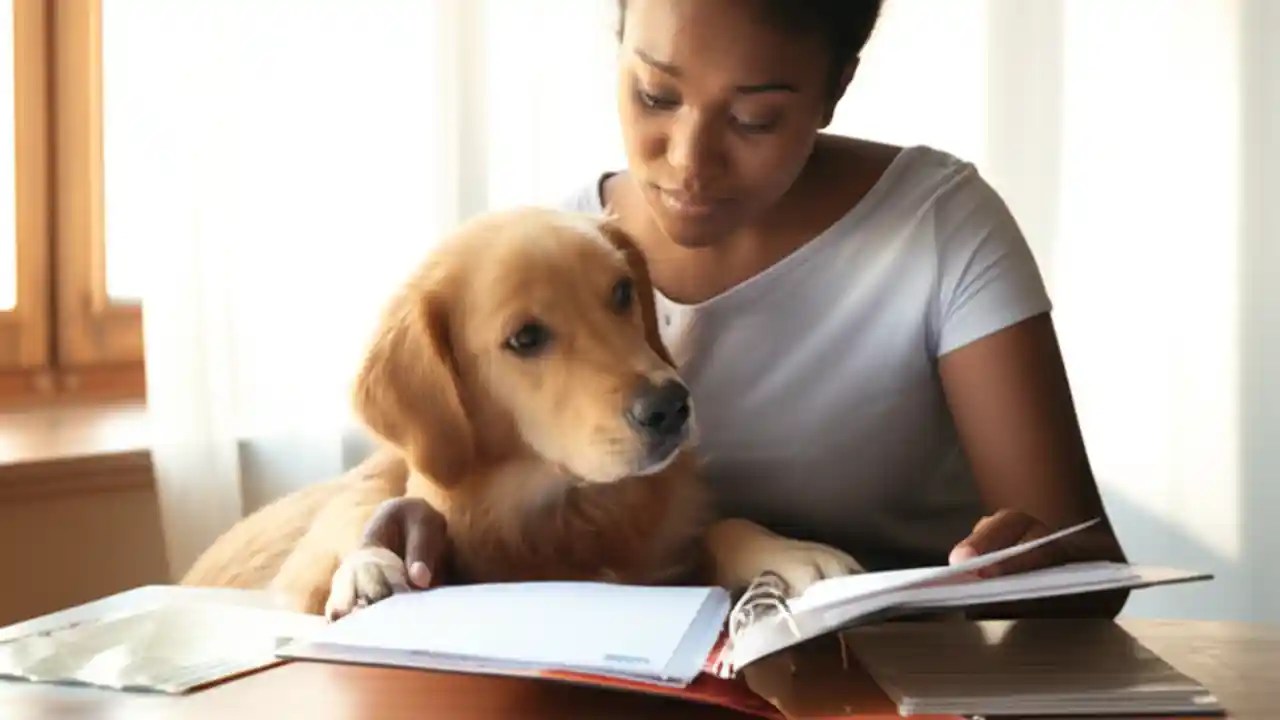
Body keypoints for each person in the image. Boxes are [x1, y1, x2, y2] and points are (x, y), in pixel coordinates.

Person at [359, 0, 1128, 617]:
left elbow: (1089, 569)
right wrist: (408, 529)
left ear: (836, 87)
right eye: (655, 94)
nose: (689, 162)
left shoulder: (938, 227)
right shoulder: (558, 255)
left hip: (892, 681)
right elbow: (423, 464)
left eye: (755, 118)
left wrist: (1027, 569)